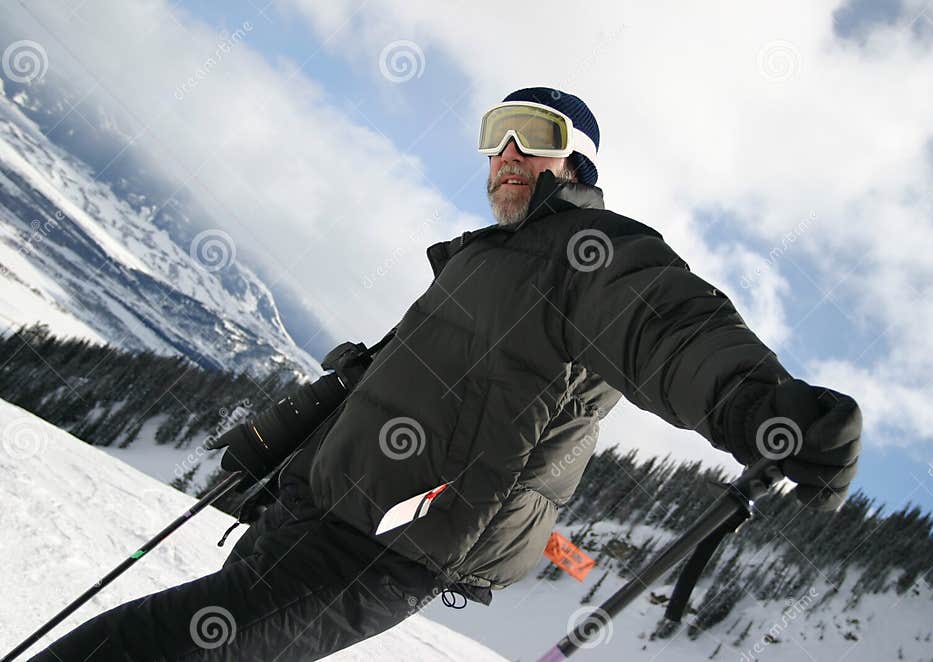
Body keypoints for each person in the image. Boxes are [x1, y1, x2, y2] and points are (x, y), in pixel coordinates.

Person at [28, 87, 861, 661]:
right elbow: (381, 379)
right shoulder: (480, 259)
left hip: (384, 546)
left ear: (578, 165)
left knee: (139, 649)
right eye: (497, 134)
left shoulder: (588, 253)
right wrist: (283, 443)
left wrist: (757, 407)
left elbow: (666, 327)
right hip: (307, 508)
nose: (507, 153)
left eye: (535, 135)